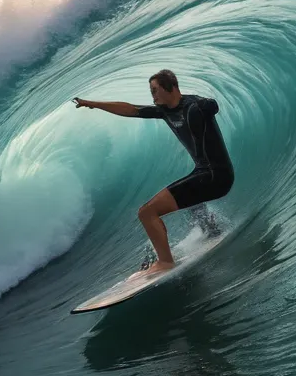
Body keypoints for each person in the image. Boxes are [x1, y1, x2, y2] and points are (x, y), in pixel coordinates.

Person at [73, 69, 234, 274]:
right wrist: (93, 104)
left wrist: (208, 105)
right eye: (151, 91)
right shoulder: (164, 111)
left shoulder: (195, 106)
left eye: (155, 90)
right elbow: (131, 109)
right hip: (207, 174)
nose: (153, 95)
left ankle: (165, 262)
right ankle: (211, 229)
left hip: (216, 176)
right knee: (193, 200)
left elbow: (211, 105)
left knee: (147, 212)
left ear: (172, 87)